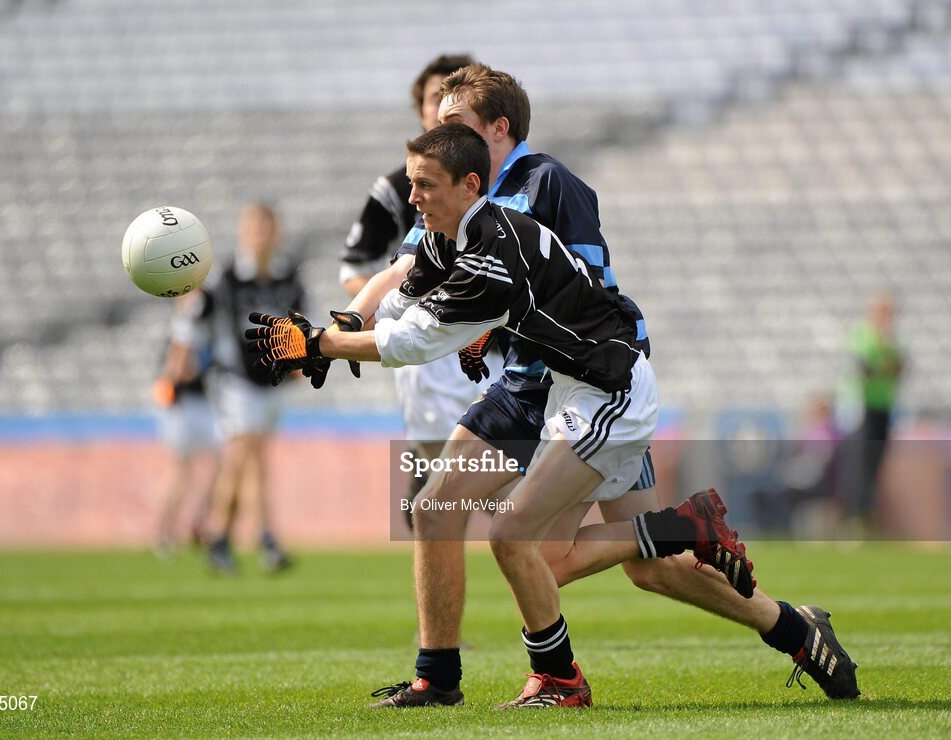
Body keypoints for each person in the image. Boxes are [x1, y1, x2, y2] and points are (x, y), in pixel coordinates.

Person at [332, 65, 857, 707]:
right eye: (436, 122)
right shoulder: (454, 195)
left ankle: (787, 627)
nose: (440, 132)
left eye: (454, 122)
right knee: (440, 506)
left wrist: (474, 325)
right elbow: (410, 267)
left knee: (638, 567)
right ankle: (438, 676)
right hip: (526, 387)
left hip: (591, 380)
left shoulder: (549, 183)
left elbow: (586, 289)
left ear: (498, 129)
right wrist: (355, 317)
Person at [248, 124, 766, 708]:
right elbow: (404, 296)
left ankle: (566, 673)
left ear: (470, 184)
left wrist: (318, 345)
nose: (412, 197)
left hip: (609, 392)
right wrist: (342, 327)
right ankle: (459, 674)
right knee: (488, 529)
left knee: (512, 536)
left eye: (425, 185)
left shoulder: (494, 248)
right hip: (569, 392)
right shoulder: (453, 236)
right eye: (411, 182)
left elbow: (413, 342)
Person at [339, 53, 501, 526]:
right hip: (423, 347)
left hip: (486, 353)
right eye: (437, 101)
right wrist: (370, 314)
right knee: (453, 500)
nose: (445, 112)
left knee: (493, 501)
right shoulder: (398, 187)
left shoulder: (512, 182)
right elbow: (371, 267)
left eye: (458, 105)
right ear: (422, 111)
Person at [171, 202, 302, 573]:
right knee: (247, 455)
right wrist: (182, 358)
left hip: (271, 382)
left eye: (267, 228)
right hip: (235, 381)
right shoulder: (227, 277)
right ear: (244, 232)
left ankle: (231, 538)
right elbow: (194, 316)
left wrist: (298, 360)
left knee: (249, 460)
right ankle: (252, 538)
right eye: (255, 227)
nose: (261, 235)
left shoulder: (287, 275)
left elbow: (297, 322)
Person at [152, 294, 221, 554]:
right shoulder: (185, 322)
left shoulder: (204, 320)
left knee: (222, 462)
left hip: (203, 402)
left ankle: (199, 522)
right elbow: (177, 366)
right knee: (180, 470)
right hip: (181, 402)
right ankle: (165, 533)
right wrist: (176, 378)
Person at [845, 291, 904, 525]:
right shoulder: (865, 334)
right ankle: (854, 516)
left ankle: (866, 516)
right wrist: (885, 366)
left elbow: (898, 369)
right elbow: (866, 367)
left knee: (875, 463)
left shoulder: (892, 338)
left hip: (884, 405)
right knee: (860, 461)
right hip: (863, 406)